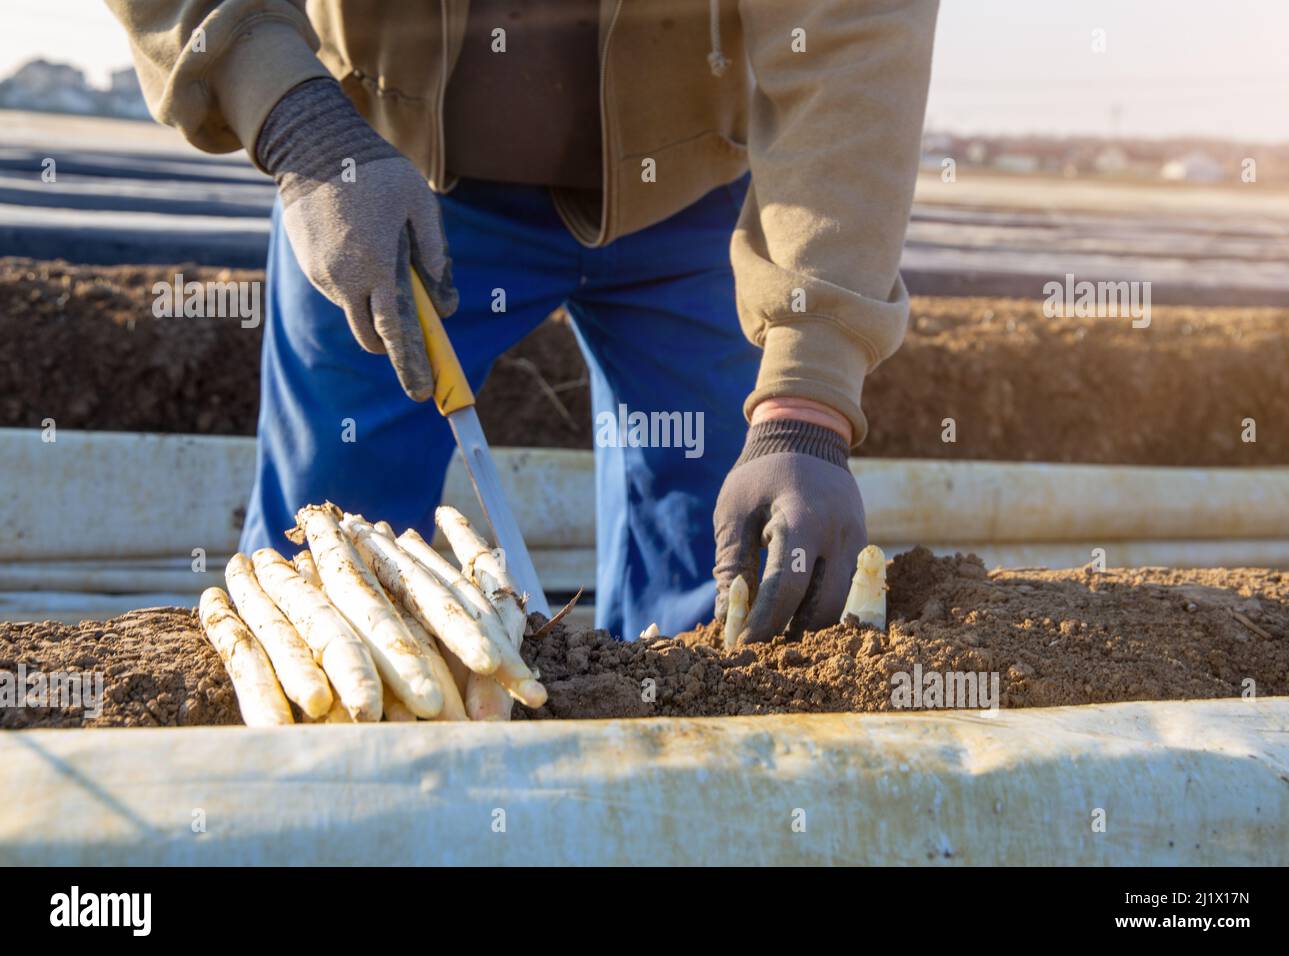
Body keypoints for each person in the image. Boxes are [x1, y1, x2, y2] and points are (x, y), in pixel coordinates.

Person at [108, 0, 938, 642]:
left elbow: (855, 35)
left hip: (692, 196)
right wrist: (297, 124)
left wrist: (808, 402)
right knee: (329, 580)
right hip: (381, 175)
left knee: (729, 582)